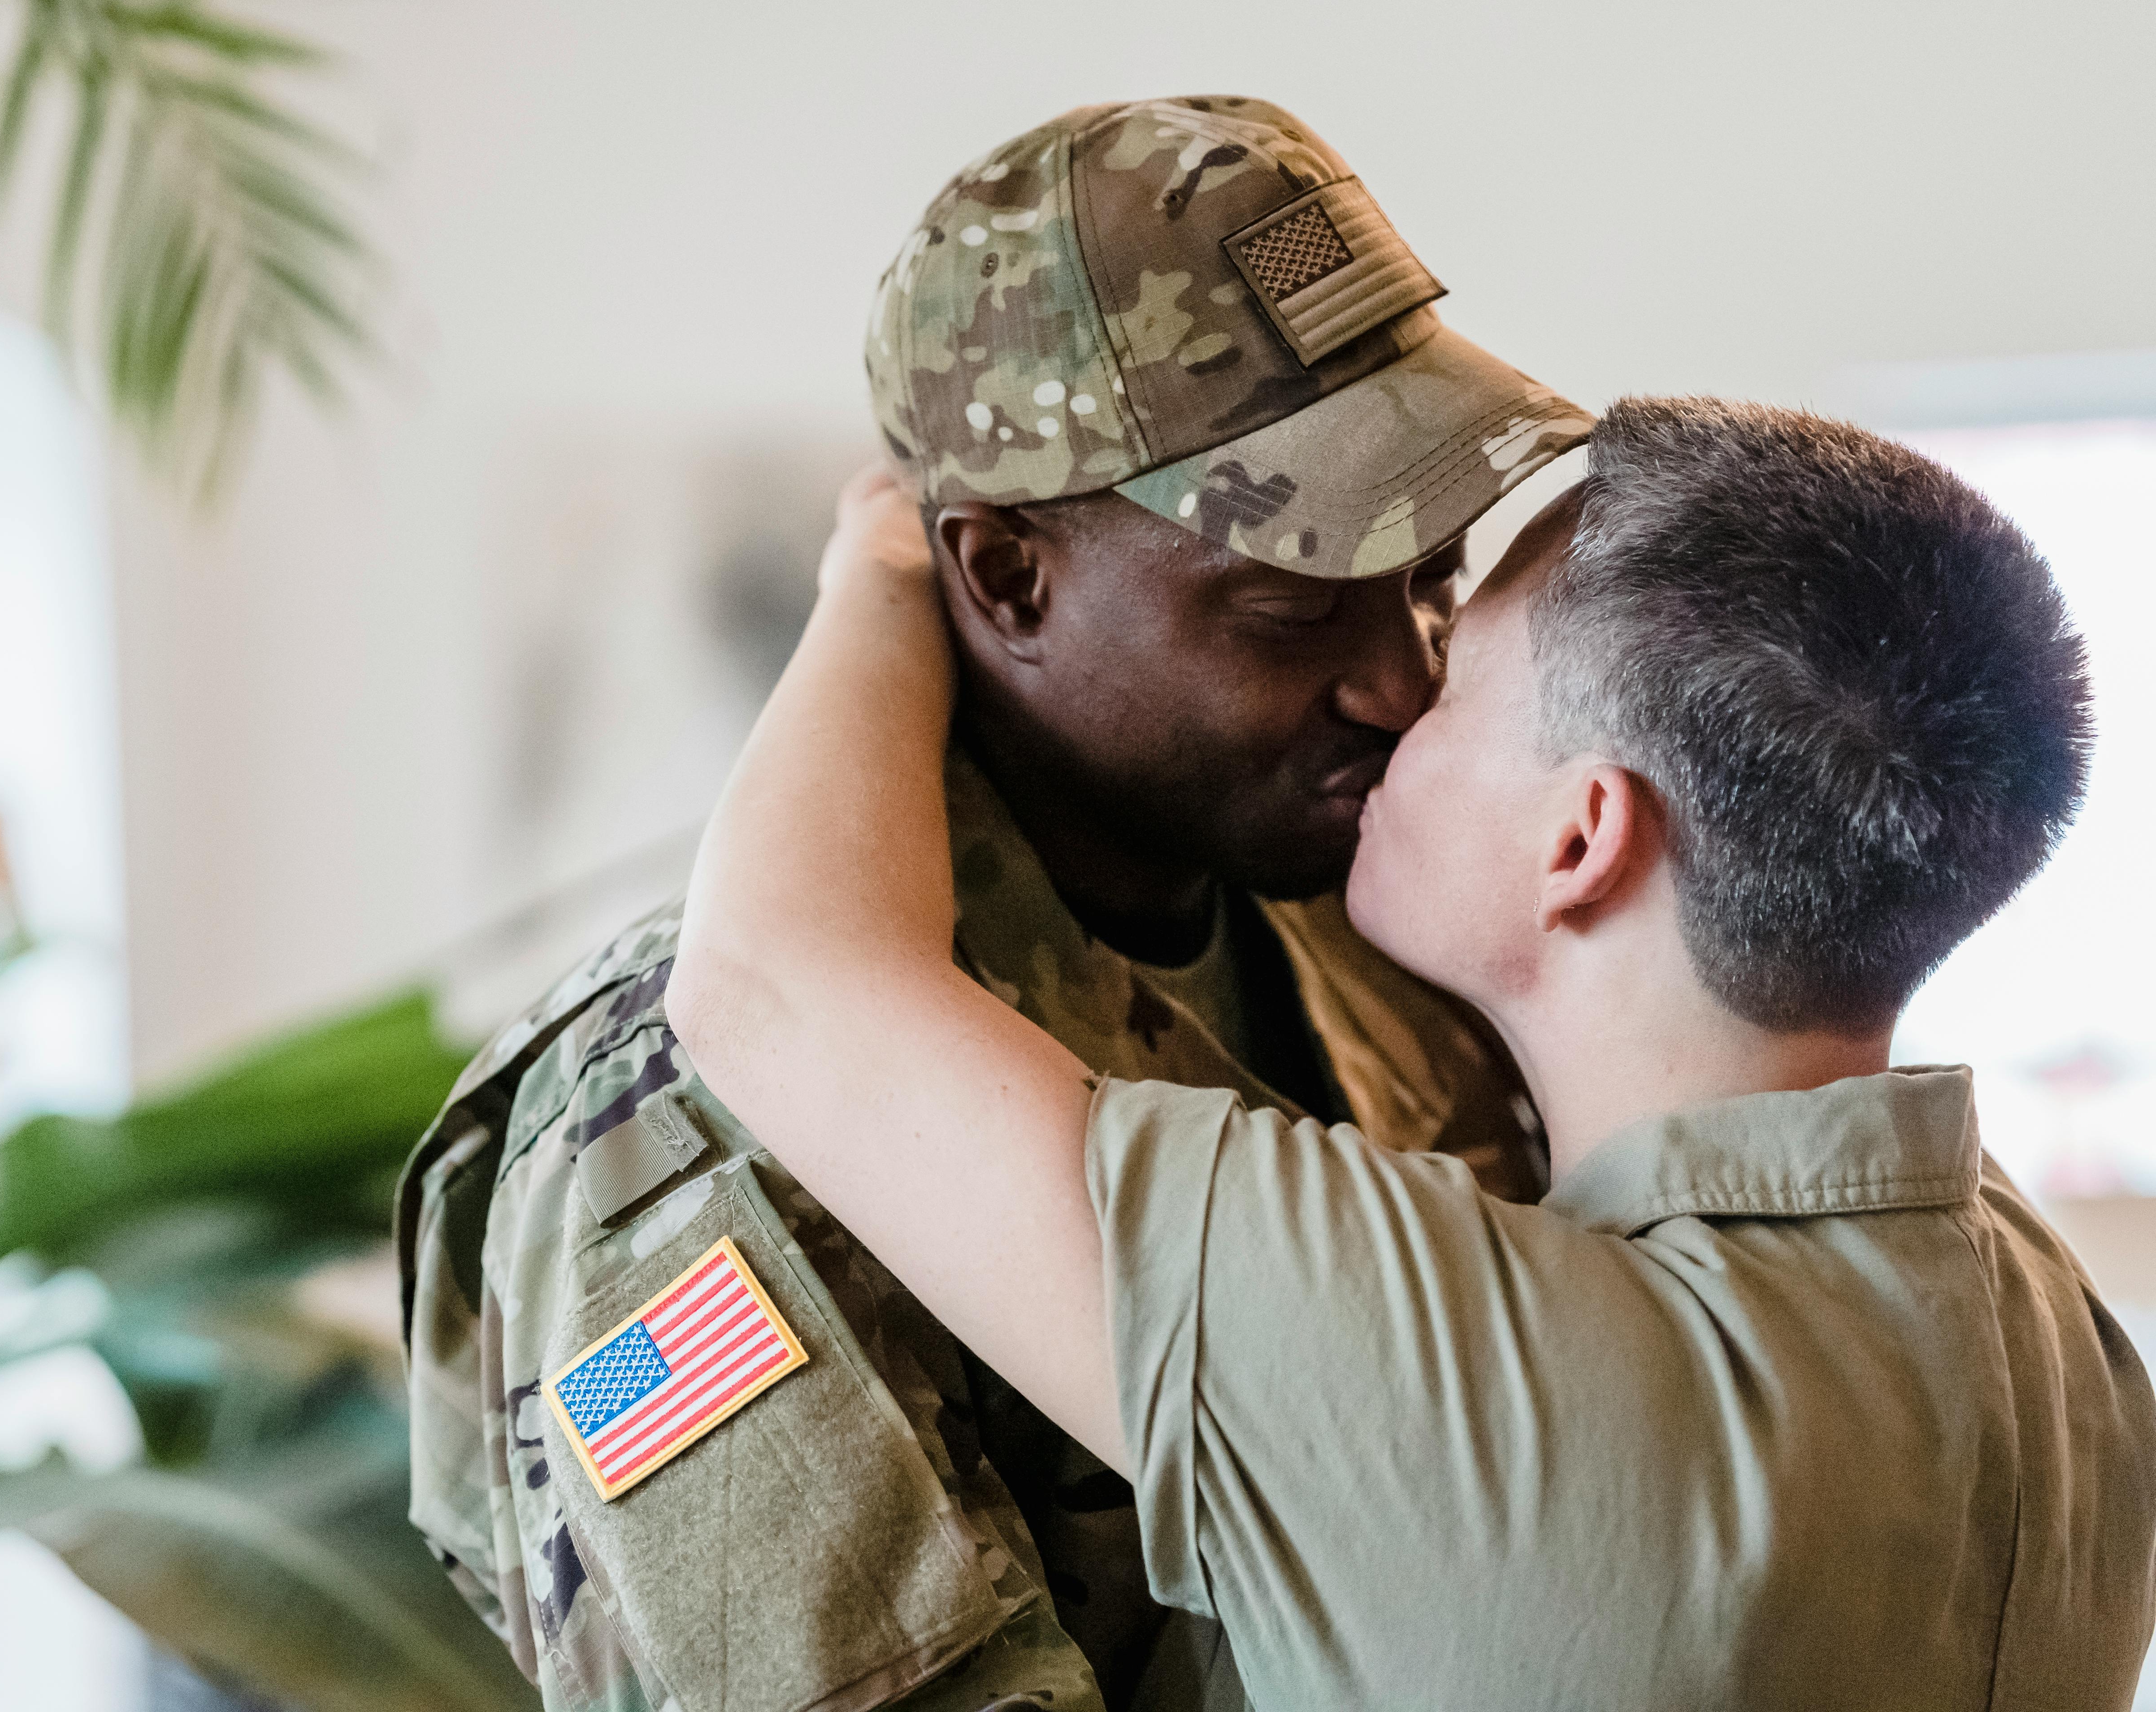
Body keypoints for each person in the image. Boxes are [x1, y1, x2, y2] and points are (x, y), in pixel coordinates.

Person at [666, 398, 2156, 1709]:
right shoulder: (2068, 1351)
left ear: (1580, 838)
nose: (1394, 697)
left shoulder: (1459, 1371)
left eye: (1460, 681)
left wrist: (876, 559)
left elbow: (776, 983)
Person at [395, 96, 1589, 1712]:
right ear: (1011, 576)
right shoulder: (683, 1118)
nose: (1401, 677)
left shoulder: (1374, 928)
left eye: (1431, 572)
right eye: (1296, 601)